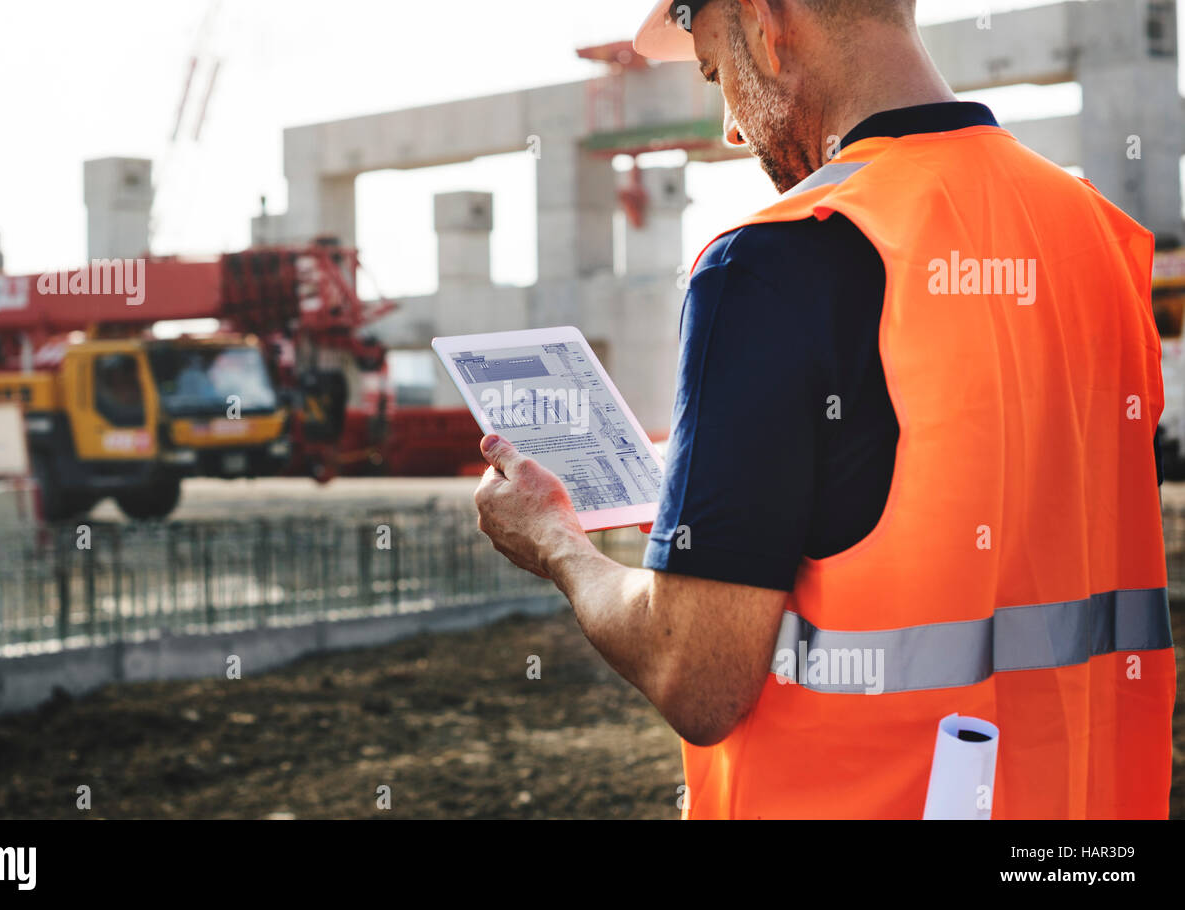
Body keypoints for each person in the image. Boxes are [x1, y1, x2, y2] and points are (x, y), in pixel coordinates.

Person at [473, 0, 1175, 818]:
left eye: (716, 72)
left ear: (765, 23)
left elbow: (696, 677)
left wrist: (556, 539)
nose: (731, 128)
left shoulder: (772, 263)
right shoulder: (1094, 233)